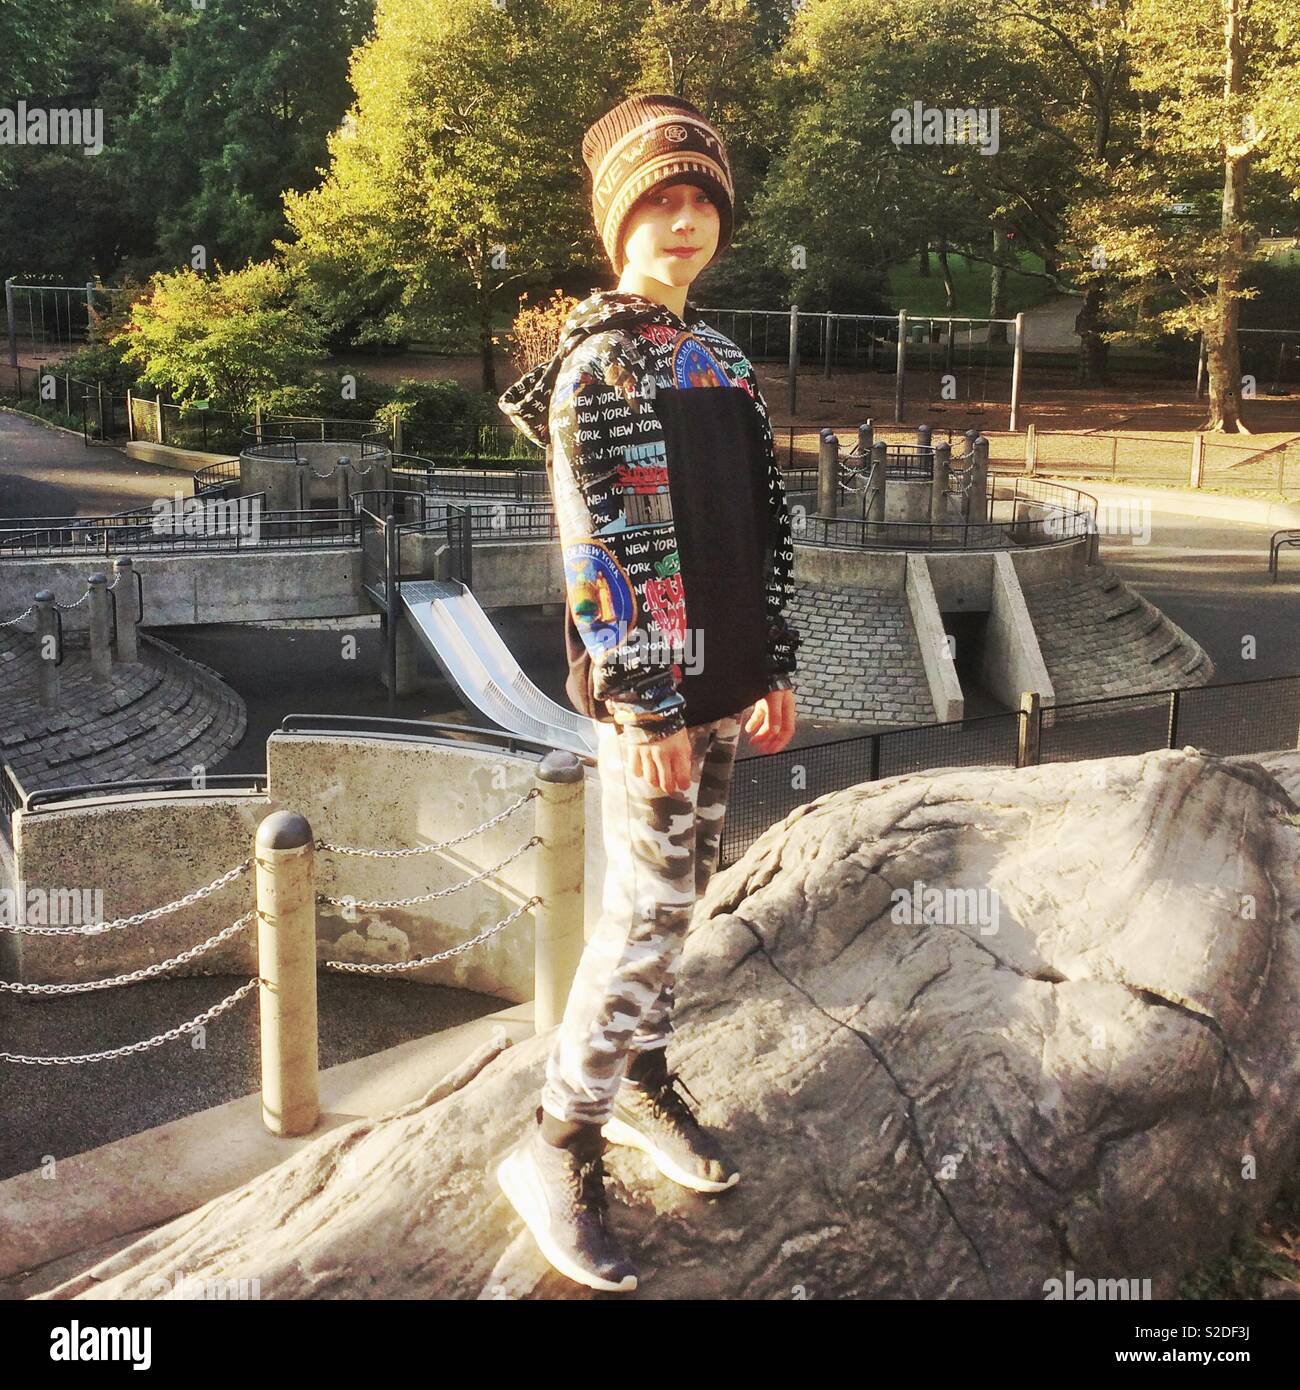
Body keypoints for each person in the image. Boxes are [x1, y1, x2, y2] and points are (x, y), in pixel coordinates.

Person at [495, 93, 800, 1293]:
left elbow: (761, 524)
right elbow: (607, 549)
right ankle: (554, 1139)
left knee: (682, 893)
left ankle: (640, 1075)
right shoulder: (601, 362)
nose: (682, 223)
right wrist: (644, 700)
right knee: (648, 908)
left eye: (700, 202)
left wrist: (771, 660)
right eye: (658, 202)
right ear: (618, 219)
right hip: (657, 699)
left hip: (724, 680)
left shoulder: (717, 357)